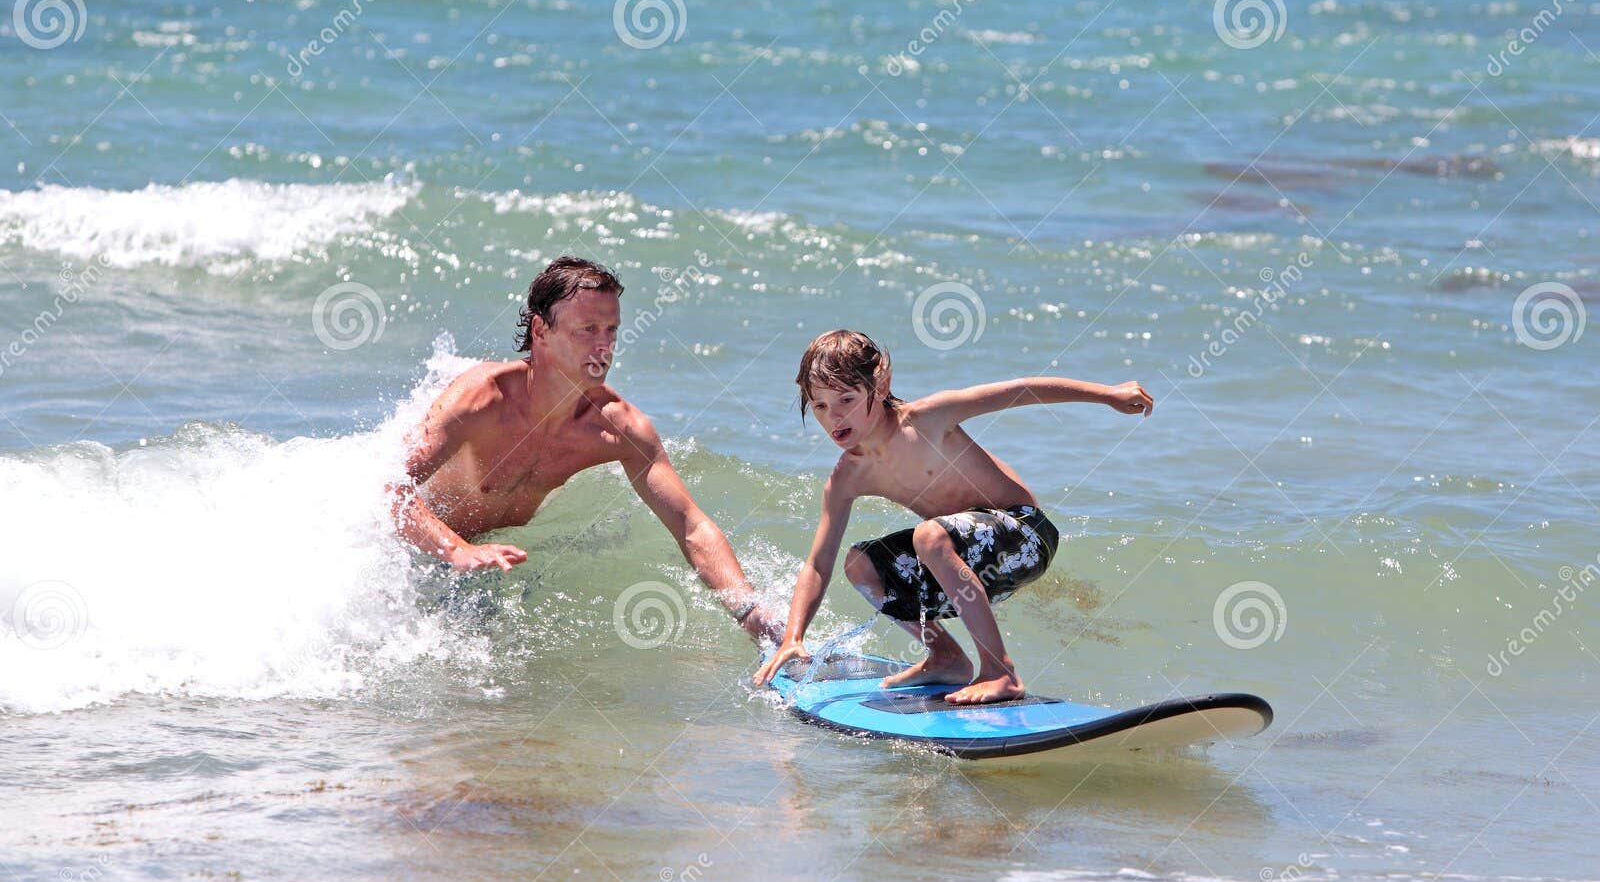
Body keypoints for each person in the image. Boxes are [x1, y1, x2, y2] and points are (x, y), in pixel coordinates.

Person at [389, 255, 782, 643]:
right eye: (588, 329)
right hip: (414, 557)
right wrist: (455, 550)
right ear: (541, 330)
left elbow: (691, 526)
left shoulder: (618, 428)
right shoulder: (480, 402)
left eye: (611, 330)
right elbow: (388, 486)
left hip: (498, 567)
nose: (604, 346)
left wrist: (749, 611)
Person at [752, 330, 1153, 703]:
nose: (833, 417)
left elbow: (1021, 390)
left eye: (846, 400)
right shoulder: (847, 477)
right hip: (969, 558)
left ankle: (1001, 672)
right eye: (819, 405)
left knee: (928, 537)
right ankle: (945, 656)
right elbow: (818, 564)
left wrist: (1108, 395)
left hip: (1027, 535)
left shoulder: (927, 420)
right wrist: (793, 635)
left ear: (881, 385)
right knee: (859, 564)